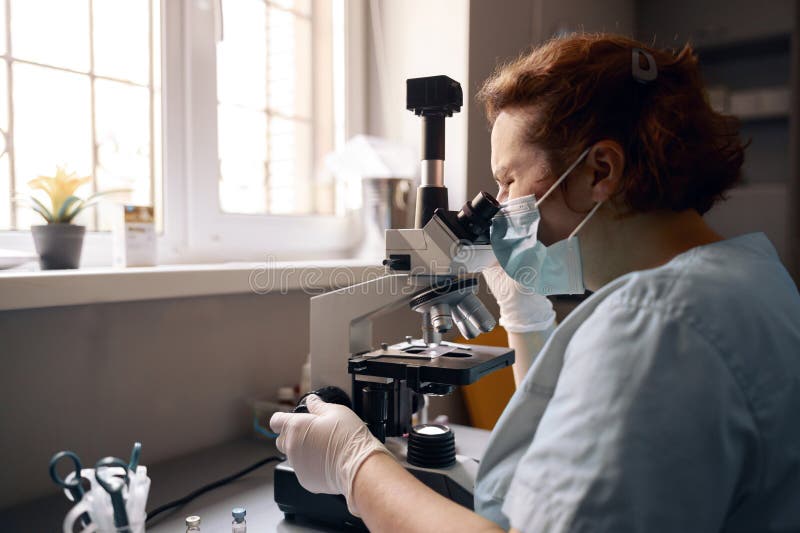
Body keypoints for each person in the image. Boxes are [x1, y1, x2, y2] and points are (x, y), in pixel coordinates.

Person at [270, 34, 800, 532]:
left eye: (508, 179)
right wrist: (524, 315)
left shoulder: (656, 326)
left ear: (600, 171)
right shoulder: (749, 274)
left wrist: (354, 465)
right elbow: (581, 441)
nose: (500, 207)